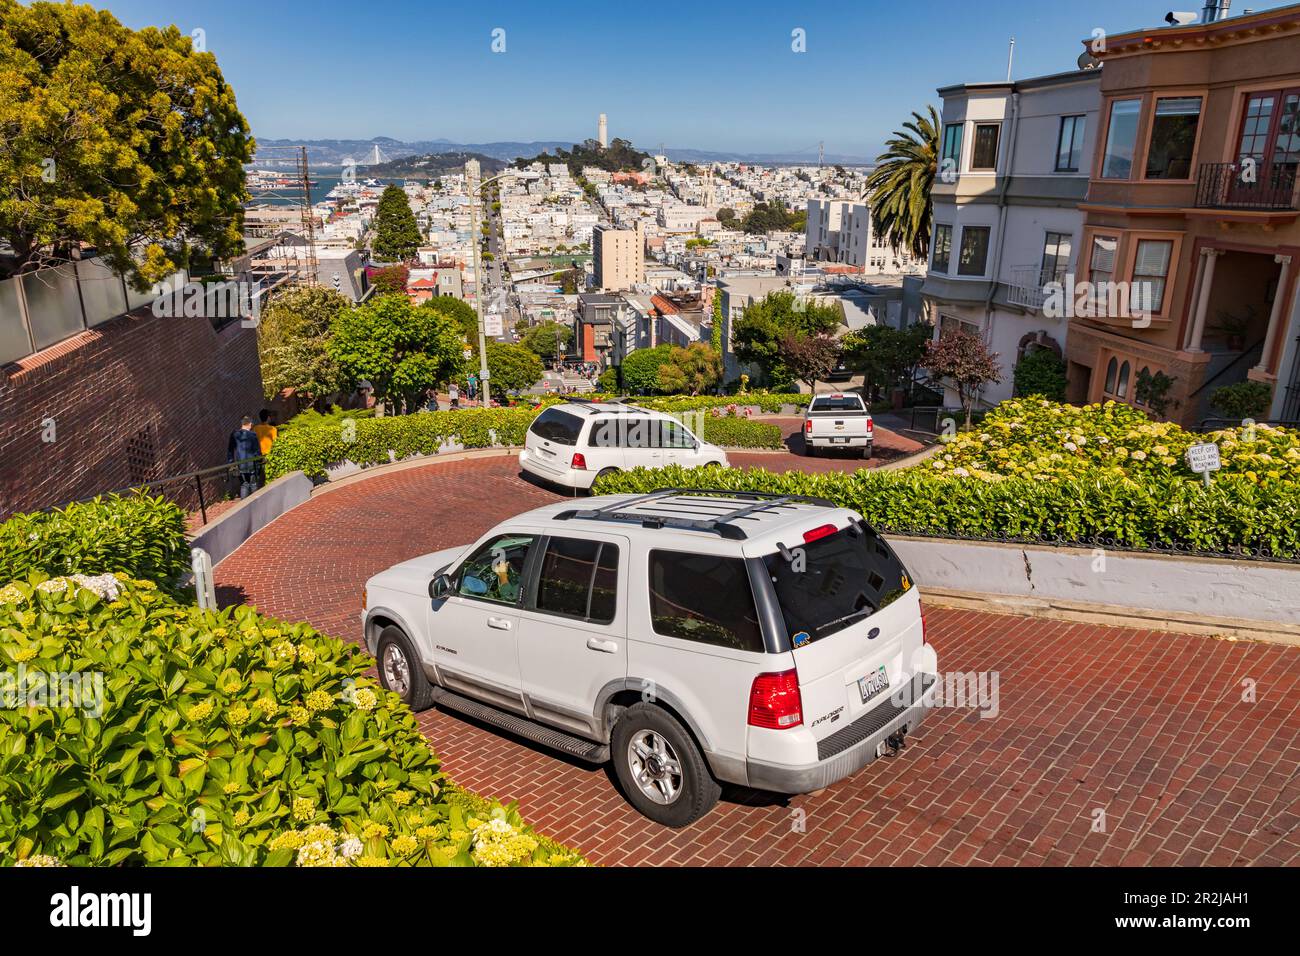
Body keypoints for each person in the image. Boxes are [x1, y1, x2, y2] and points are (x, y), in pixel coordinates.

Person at [227, 417, 261, 499]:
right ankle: (256, 504)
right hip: (251, 463)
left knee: (244, 484)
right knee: (253, 484)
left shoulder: (234, 434)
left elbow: (230, 450)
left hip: (240, 464)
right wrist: (259, 461)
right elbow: (257, 451)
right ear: (249, 424)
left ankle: (244, 505)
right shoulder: (253, 435)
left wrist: (231, 462)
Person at [253, 410, 277, 484]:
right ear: (268, 418)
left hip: (258, 455)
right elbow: (275, 442)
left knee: (260, 476)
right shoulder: (272, 429)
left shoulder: (255, 428)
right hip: (269, 455)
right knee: (270, 475)